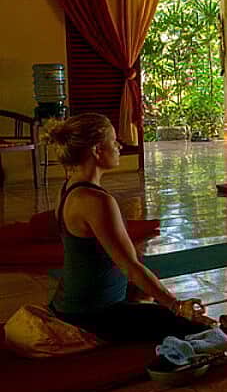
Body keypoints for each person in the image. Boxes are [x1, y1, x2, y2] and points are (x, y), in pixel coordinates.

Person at [46, 113, 213, 342]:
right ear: (97, 150)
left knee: (151, 295)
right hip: (93, 315)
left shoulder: (68, 187)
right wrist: (177, 307)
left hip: (67, 304)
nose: (119, 146)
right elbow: (130, 266)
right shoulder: (95, 201)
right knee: (204, 332)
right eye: (113, 141)